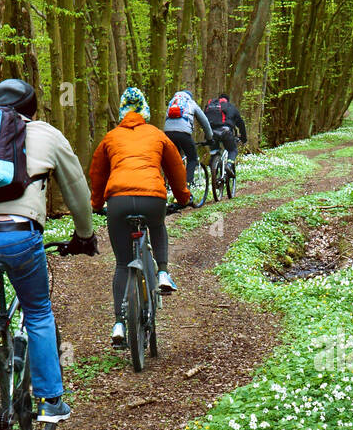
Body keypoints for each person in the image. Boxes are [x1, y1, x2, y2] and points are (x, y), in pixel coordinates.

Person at [0, 79, 97, 423]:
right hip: (18, 234)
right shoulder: (46, 133)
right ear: (32, 108)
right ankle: (49, 401)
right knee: (37, 311)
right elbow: (76, 188)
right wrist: (84, 234)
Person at [90, 87, 193, 345]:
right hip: (152, 199)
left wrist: (96, 203)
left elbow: (98, 174)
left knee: (123, 263)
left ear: (123, 112)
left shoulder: (110, 138)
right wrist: (182, 198)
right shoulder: (157, 135)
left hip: (118, 203)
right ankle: (163, 273)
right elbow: (176, 168)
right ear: (145, 111)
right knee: (157, 225)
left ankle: (118, 324)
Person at [162, 88, 215, 188]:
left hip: (168, 133)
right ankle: (186, 187)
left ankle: (169, 185)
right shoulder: (191, 103)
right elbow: (204, 122)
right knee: (192, 158)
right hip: (184, 133)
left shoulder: (172, 102)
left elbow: (166, 119)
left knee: (174, 160)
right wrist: (209, 138)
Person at [204, 93, 248, 177]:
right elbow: (241, 124)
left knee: (214, 151)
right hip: (225, 132)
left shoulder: (209, 107)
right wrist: (244, 138)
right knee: (232, 150)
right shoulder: (230, 107)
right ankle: (229, 165)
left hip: (211, 133)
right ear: (227, 100)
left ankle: (214, 171)